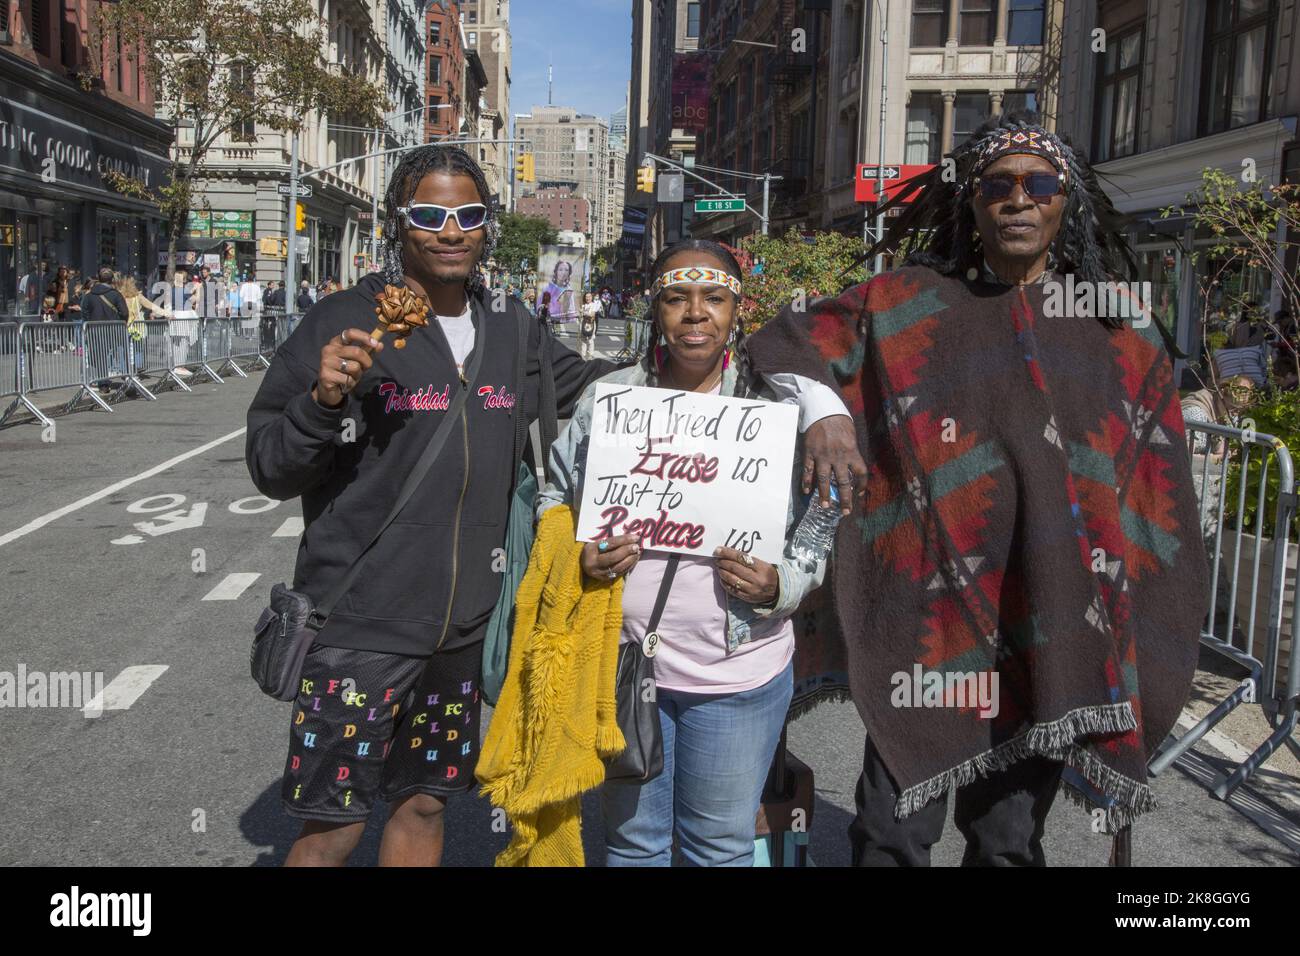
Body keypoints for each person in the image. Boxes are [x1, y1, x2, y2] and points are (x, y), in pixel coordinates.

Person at [746, 113, 1209, 866]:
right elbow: (785, 339)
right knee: (888, 835)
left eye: (1040, 184)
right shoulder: (904, 302)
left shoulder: (1113, 327)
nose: (1019, 199)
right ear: (973, 201)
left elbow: (1153, 487)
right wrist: (825, 414)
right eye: (999, 184)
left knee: (1006, 845)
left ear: (1067, 203)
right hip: (925, 629)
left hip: (1050, 620)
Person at [536, 239, 831, 866]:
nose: (695, 313)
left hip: (738, 672)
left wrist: (783, 586)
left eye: (713, 298)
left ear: (736, 311)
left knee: (718, 847)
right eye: (677, 298)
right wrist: (580, 554)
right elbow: (552, 493)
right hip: (624, 665)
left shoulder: (778, 408)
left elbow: (819, 521)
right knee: (632, 843)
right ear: (656, 310)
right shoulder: (609, 398)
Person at [578, 290, 601, 361]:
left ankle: (590, 356)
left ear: (592, 297)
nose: (587, 298)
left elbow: (592, 315)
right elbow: (580, 315)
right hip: (583, 323)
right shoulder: (583, 305)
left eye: (589, 296)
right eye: (586, 297)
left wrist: (584, 313)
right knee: (583, 340)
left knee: (590, 340)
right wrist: (580, 313)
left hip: (590, 324)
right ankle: (583, 356)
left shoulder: (593, 305)